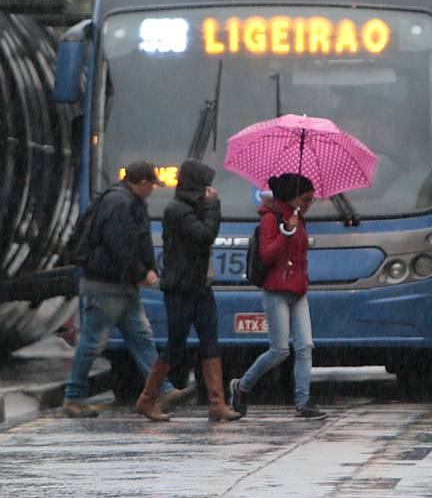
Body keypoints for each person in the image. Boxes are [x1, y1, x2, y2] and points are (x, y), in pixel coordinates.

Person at [62, 161, 184, 418]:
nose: (152, 189)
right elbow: (120, 246)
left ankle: (161, 389)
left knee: (142, 339)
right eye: (151, 184)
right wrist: (141, 273)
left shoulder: (122, 200)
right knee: (93, 342)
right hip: (107, 286)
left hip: (121, 285)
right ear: (141, 183)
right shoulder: (121, 203)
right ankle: (73, 397)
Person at [136, 159, 240, 422]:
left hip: (200, 286)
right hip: (181, 288)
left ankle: (217, 402)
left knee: (210, 341)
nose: (209, 190)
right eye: (205, 184)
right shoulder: (177, 210)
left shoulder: (192, 207)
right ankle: (147, 399)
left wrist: (208, 206)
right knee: (176, 345)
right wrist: (213, 205)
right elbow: (205, 235)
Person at [229, 173, 328, 420]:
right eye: (306, 199)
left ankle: (303, 402)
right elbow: (267, 255)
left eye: (311, 200)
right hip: (276, 291)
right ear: (292, 197)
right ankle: (242, 386)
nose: (308, 204)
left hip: (298, 290)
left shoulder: (299, 219)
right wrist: (286, 233)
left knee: (305, 346)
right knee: (280, 350)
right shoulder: (270, 220)